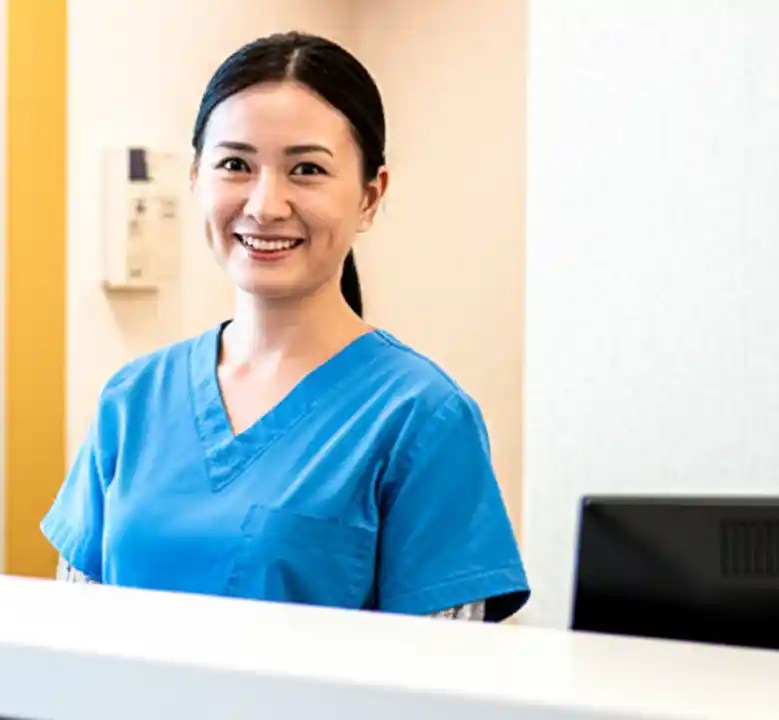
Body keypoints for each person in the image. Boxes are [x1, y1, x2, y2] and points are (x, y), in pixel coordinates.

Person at [41, 31, 529, 622]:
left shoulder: (422, 418)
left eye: (306, 169)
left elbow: (446, 666)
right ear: (195, 178)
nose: (265, 205)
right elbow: (71, 628)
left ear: (370, 196)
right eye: (235, 165)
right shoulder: (133, 398)